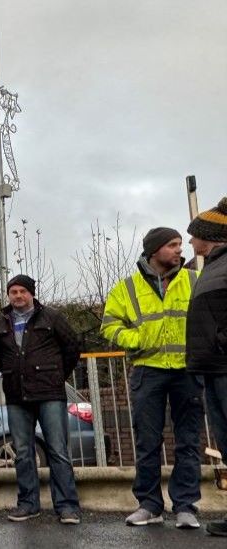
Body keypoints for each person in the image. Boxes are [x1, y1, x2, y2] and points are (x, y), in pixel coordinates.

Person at [101, 227, 203, 529]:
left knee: (188, 439)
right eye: (172, 245)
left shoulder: (194, 280)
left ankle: (186, 506)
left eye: (180, 245)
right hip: (148, 369)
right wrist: (137, 340)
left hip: (187, 368)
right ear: (154, 250)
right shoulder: (126, 287)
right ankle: (149, 505)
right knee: (147, 440)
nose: (179, 250)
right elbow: (109, 326)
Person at [0, 274, 81, 524]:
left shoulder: (52, 317)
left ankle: (67, 506)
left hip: (50, 393)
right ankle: (28, 504)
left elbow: (72, 347)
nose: (18, 296)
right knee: (22, 452)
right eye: (13, 292)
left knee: (58, 450)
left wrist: (56, 375)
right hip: (16, 395)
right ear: (8, 295)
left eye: (22, 291)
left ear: (31, 293)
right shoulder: (0, 323)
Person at [182, 197, 227, 536]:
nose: (189, 242)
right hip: (213, 368)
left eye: (193, 235)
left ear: (209, 236)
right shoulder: (212, 266)